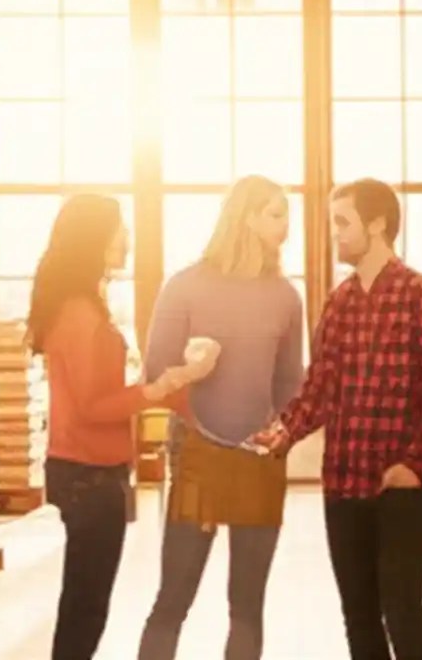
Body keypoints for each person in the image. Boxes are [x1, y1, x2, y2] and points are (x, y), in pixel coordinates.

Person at [250, 178, 422, 660]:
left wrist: (415, 465)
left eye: (343, 223)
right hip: (343, 482)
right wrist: (285, 431)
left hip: (400, 484)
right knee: (358, 615)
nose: (335, 234)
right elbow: (321, 384)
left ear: (378, 224)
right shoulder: (340, 302)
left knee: (402, 608)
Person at [27, 194, 216, 660]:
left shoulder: (80, 306)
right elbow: (95, 405)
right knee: (87, 606)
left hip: (83, 472)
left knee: (84, 602)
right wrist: (156, 391)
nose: (128, 239)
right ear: (94, 237)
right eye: (119, 229)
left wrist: (169, 390)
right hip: (90, 475)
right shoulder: (83, 315)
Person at [138, 175, 305, 660]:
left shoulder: (285, 297)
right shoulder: (184, 286)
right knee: (173, 600)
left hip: (259, 461)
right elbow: (155, 372)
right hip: (196, 454)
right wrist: (195, 369)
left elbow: (290, 384)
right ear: (246, 217)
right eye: (276, 215)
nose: (286, 228)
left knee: (247, 608)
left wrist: (279, 436)